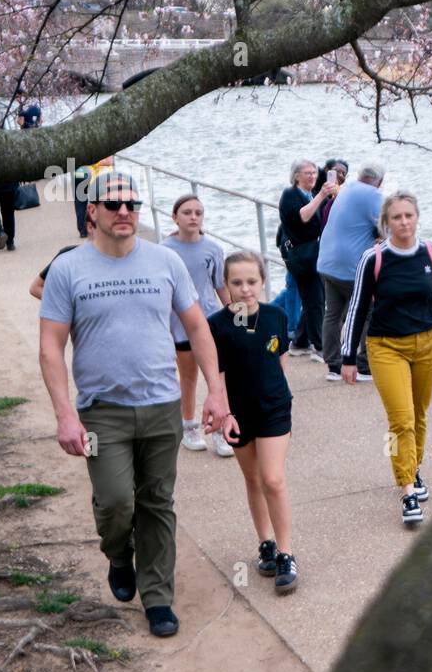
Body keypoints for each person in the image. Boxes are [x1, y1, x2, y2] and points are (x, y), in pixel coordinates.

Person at [38, 170, 234, 639]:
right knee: (114, 501)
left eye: (132, 204)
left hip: (163, 405)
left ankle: (158, 596)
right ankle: (117, 554)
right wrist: (65, 414)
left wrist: (217, 390)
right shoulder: (69, 268)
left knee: (157, 501)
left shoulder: (166, 261)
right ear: (93, 212)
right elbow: (50, 347)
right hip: (101, 410)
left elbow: (200, 327)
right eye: (113, 205)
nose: (124, 212)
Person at [341, 191, 432, 527]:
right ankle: (408, 491)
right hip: (386, 347)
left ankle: (413, 468)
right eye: (396, 217)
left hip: (428, 344)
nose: (403, 222)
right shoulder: (374, 259)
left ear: (416, 217)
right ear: (387, 222)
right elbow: (356, 308)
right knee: (401, 420)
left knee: (418, 414)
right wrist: (348, 357)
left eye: (408, 216)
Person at [208, 252, 298, 593]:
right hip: (238, 412)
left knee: (272, 478)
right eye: (236, 283)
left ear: (262, 282)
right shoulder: (215, 326)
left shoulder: (276, 315)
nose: (245, 289)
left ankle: (287, 552)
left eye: (251, 282)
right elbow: (216, 377)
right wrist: (226, 414)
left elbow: (281, 362)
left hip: (274, 409)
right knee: (253, 479)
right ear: (226, 286)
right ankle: (266, 543)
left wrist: (280, 396)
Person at [161, 194, 234, 458]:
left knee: (218, 380)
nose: (193, 217)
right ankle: (189, 426)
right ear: (175, 217)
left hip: (210, 322)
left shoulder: (213, 249)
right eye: (187, 212)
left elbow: (219, 285)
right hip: (180, 324)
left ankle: (220, 429)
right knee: (189, 378)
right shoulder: (165, 250)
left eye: (198, 213)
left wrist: (235, 314)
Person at [317, 161, 385, 381]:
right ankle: (365, 366)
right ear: (380, 181)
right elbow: (387, 228)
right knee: (368, 312)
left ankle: (333, 366)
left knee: (332, 314)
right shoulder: (374, 195)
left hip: (327, 261)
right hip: (350, 266)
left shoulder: (347, 189)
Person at [277, 159, 336, 362]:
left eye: (314, 173)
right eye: (307, 173)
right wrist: (321, 195)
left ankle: (300, 342)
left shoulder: (310, 194)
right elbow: (303, 216)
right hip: (302, 257)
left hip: (314, 254)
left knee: (316, 298)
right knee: (315, 301)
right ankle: (319, 347)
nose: (312, 176)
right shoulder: (290, 195)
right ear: (296, 176)